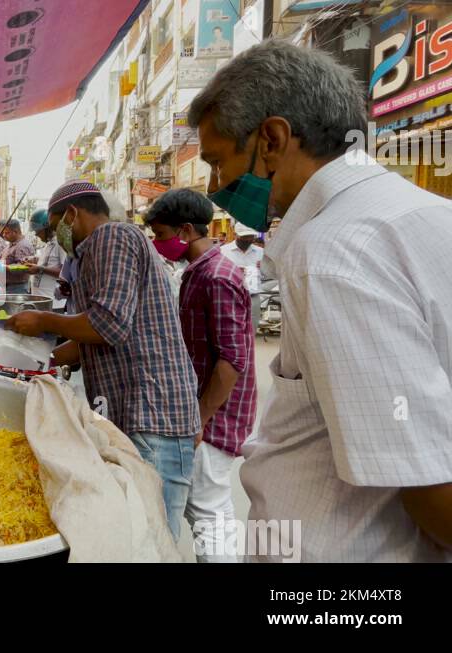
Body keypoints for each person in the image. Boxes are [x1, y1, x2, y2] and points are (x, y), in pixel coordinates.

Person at [191, 39, 452, 561]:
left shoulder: (332, 253)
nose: (216, 187)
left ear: (272, 139)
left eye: (218, 164)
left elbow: (428, 486)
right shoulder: (425, 214)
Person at [6, 180, 200, 538]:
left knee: (154, 538)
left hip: (151, 411)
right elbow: (91, 339)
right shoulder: (96, 251)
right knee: (136, 534)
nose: (54, 237)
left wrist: (43, 321)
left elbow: (107, 325)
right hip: (134, 412)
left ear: (72, 214)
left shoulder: (111, 238)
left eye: (53, 227)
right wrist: (37, 363)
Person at [147, 188, 256, 562]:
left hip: (215, 413)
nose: (158, 244)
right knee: (202, 508)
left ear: (187, 231)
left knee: (209, 509)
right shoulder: (197, 272)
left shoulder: (217, 277)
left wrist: (201, 418)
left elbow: (232, 361)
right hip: (203, 409)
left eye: (162, 235)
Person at [220, 223, 264, 330]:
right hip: (230, 296)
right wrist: (233, 271)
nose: (248, 239)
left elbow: (270, 274)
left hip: (252, 296)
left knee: (251, 329)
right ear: (235, 234)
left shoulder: (260, 252)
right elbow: (217, 272)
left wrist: (264, 267)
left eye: (251, 236)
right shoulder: (223, 251)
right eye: (244, 236)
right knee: (230, 328)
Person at [26, 209, 66, 310]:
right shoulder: (49, 244)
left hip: (53, 304)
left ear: (47, 228)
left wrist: (40, 269)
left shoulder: (61, 243)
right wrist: (35, 259)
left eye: (38, 231)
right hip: (40, 302)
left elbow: (65, 272)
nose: (36, 234)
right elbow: (50, 262)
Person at [0, 219, 35, 295]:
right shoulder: (10, 244)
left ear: (15, 232)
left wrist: (2, 266)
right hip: (8, 287)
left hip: (17, 288)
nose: (4, 235)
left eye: (6, 233)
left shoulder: (23, 245)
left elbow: (22, 268)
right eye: (3, 233)